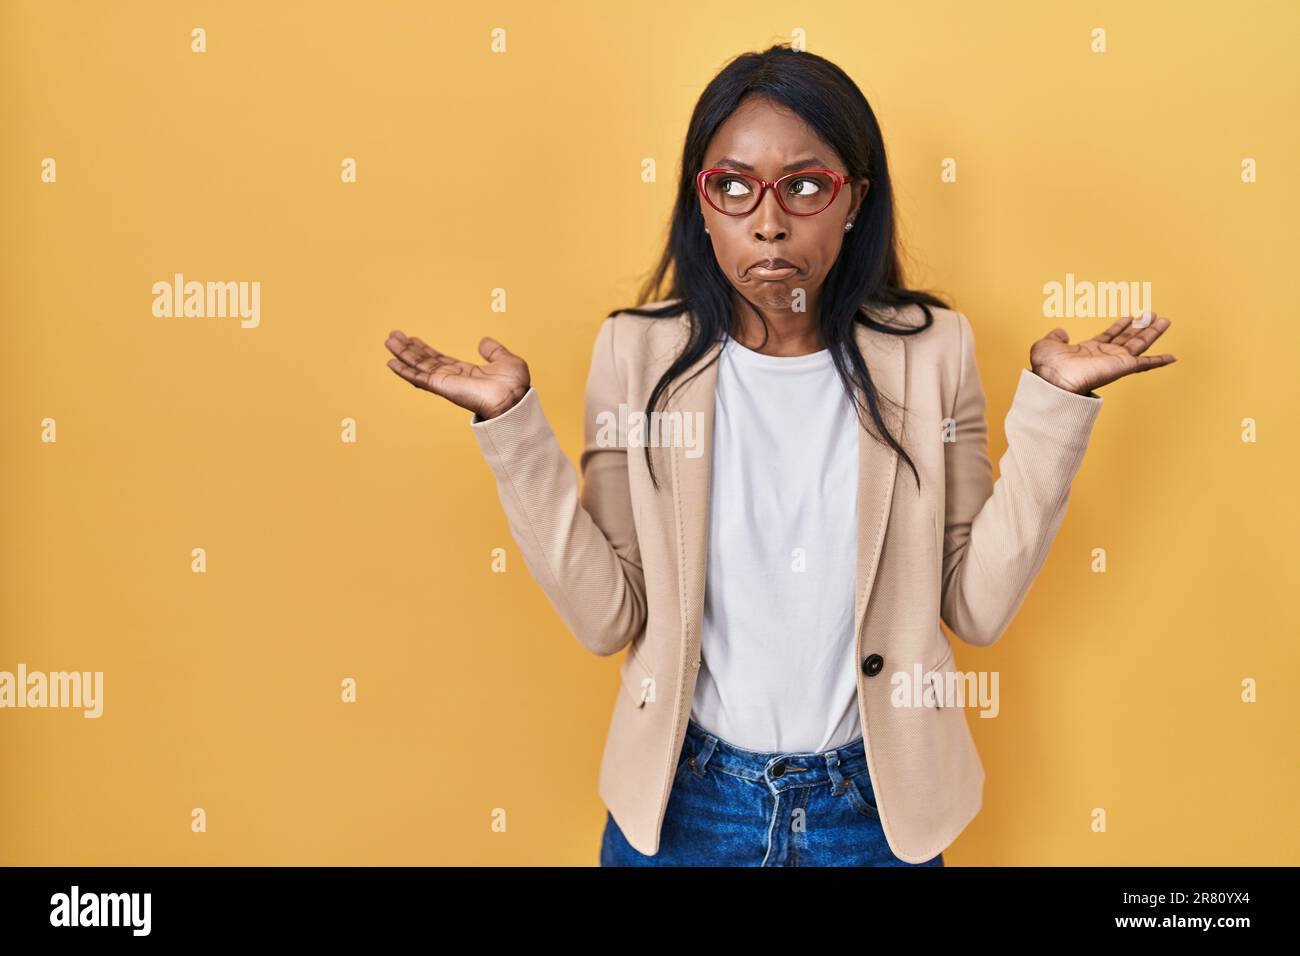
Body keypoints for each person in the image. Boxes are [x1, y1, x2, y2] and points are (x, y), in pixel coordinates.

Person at [384, 45, 1175, 866]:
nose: (768, 221)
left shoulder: (934, 350)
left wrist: (1058, 406)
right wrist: (512, 426)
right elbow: (607, 616)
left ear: (854, 200)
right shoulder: (634, 354)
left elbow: (975, 607)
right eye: (733, 186)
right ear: (703, 203)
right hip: (684, 806)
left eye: (804, 186)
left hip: (874, 810)